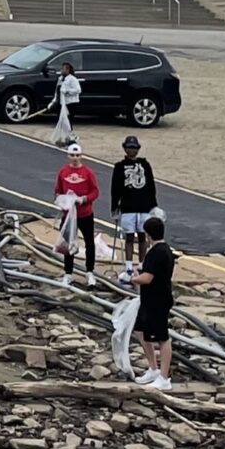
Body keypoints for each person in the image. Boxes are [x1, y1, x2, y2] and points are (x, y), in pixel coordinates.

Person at [128, 216, 175, 390]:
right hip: (150, 299)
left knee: (162, 337)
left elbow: (148, 278)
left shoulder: (157, 253)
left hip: (158, 299)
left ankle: (164, 377)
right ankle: (153, 368)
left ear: (148, 235)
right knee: (140, 330)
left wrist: (132, 279)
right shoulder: (163, 250)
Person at [110, 135, 159, 276]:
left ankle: (142, 264)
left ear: (138, 149)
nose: (132, 150)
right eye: (129, 147)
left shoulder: (145, 165)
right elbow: (115, 188)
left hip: (144, 206)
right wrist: (114, 207)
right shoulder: (119, 167)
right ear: (124, 148)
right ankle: (129, 265)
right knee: (129, 237)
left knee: (143, 236)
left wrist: (153, 205)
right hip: (128, 207)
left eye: (134, 148)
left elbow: (151, 185)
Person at [54, 142, 100, 282]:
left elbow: (95, 191)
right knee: (68, 244)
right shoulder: (63, 172)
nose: (75, 158)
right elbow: (58, 190)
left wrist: (84, 199)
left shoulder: (88, 172)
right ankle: (68, 272)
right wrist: (62, 200)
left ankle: (90, 271)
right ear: (68, 156)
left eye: (77, 155)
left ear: (81, 156)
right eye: (72, 155)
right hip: (69, 215)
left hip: (85, 214)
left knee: (89, 243)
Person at [51, 61, 82, 145]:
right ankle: (66, 137)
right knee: (62, 121)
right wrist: (53, 101)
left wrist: (67, 91)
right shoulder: (60, 79)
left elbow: (78, 90)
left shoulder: (72, 79)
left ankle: (72, 138)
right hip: (62, 103)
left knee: (68, 121)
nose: (61, 70)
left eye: (63, 69)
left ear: (68, 70)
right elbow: (57, 91)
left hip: (71, 103)